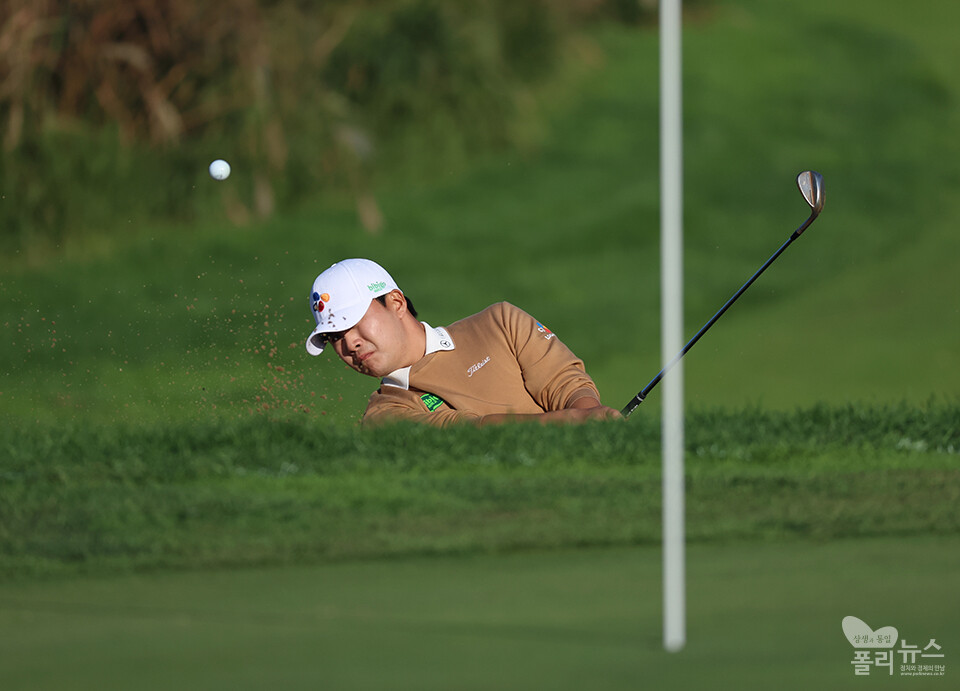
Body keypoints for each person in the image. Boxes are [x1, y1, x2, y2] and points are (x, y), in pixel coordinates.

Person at [304, 258, 621, 426]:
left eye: (355, 323)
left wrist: (589, 422)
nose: (350, 345)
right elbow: (473, 435)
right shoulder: (384, 416)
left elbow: (565, 382)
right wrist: (573, 424)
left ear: (396, 303)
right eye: (334, 337)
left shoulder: (500, 322)